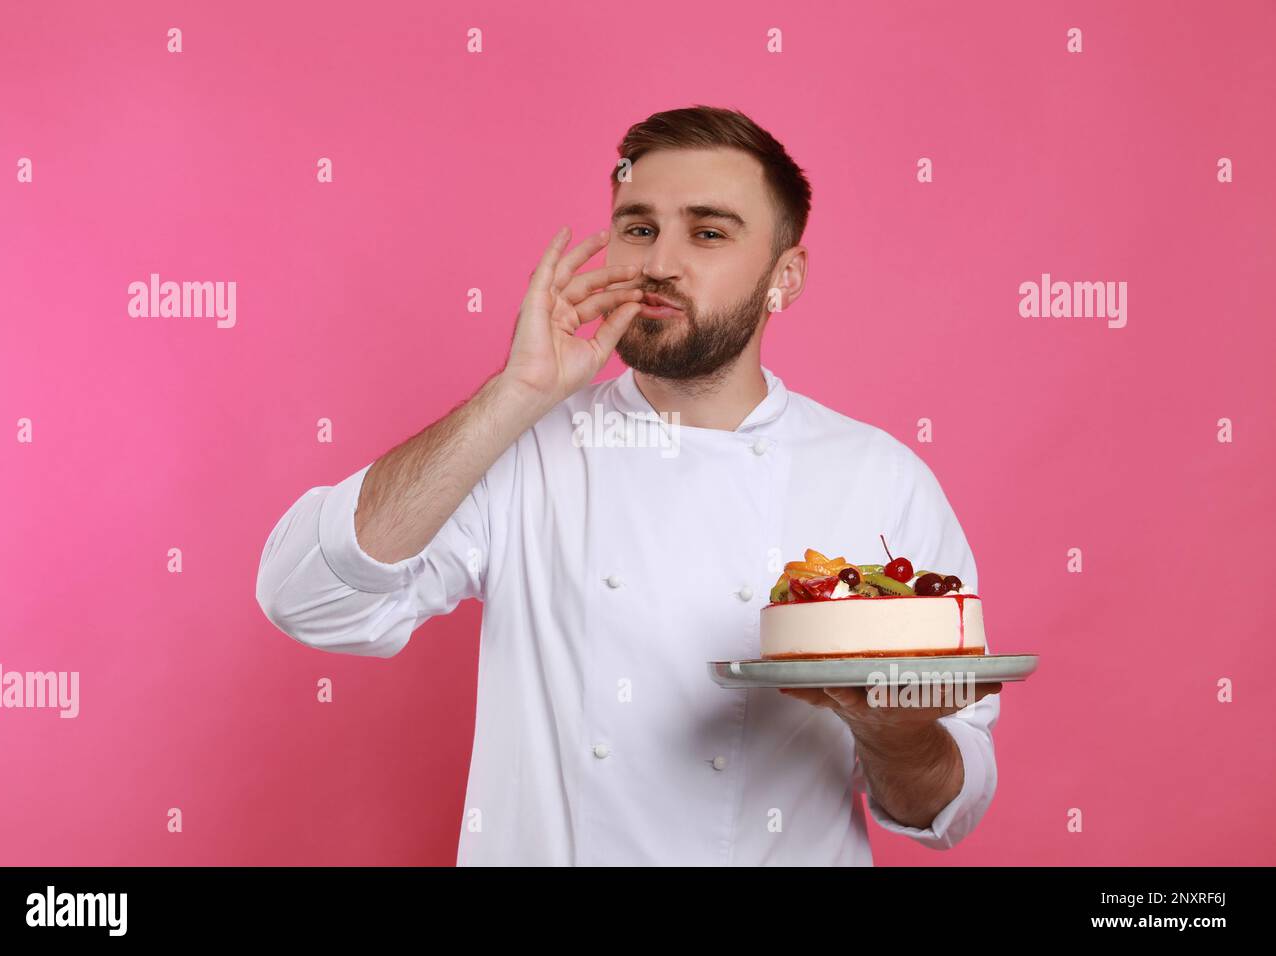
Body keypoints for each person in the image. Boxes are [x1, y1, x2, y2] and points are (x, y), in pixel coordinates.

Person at [255, 105, 1002, 866]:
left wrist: (893, 727)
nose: (658, 263)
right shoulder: (525, 449)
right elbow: (307, 597)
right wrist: (514, 396)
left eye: (708, 232)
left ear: (786, 278)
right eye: (639, 228)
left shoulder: (880, 477)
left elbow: (946, 809)